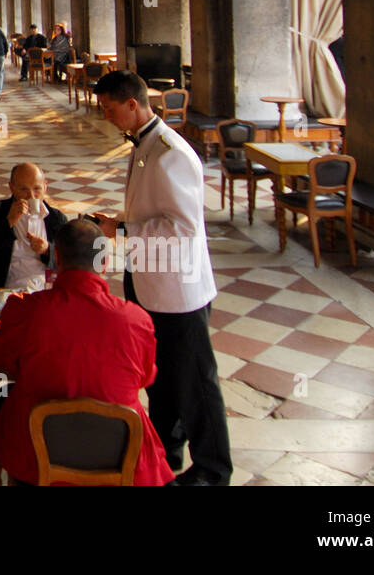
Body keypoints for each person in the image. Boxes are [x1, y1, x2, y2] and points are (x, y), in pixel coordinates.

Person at [92, 70, 232, 486]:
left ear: (133, 104)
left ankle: (213, 470)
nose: (108, 117)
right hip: (151, 281)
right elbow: (151, 213)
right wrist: (121, 221)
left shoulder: (172, 151)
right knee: (161, 377)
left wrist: (122, 231)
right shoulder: (145, 145)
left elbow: (183, 230)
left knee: (197, 384)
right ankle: (167, 451)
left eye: (111, 109)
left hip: (179, 290)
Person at [0, 218, 175, 486]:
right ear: (104, 263)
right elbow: (145, 377)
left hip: (36, 459)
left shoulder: (26, 310)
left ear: (57, 258)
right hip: (120, 458)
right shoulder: (136, 320)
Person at [0, 163, 68, 288]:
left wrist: (47, 250)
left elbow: (71, 260)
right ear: (12, 188)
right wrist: (8, 222)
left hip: (45, 289)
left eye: (37, 189)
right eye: (24, 189)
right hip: (5, 288)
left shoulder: (56, 219)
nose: (31, 196)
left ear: (45, 187)